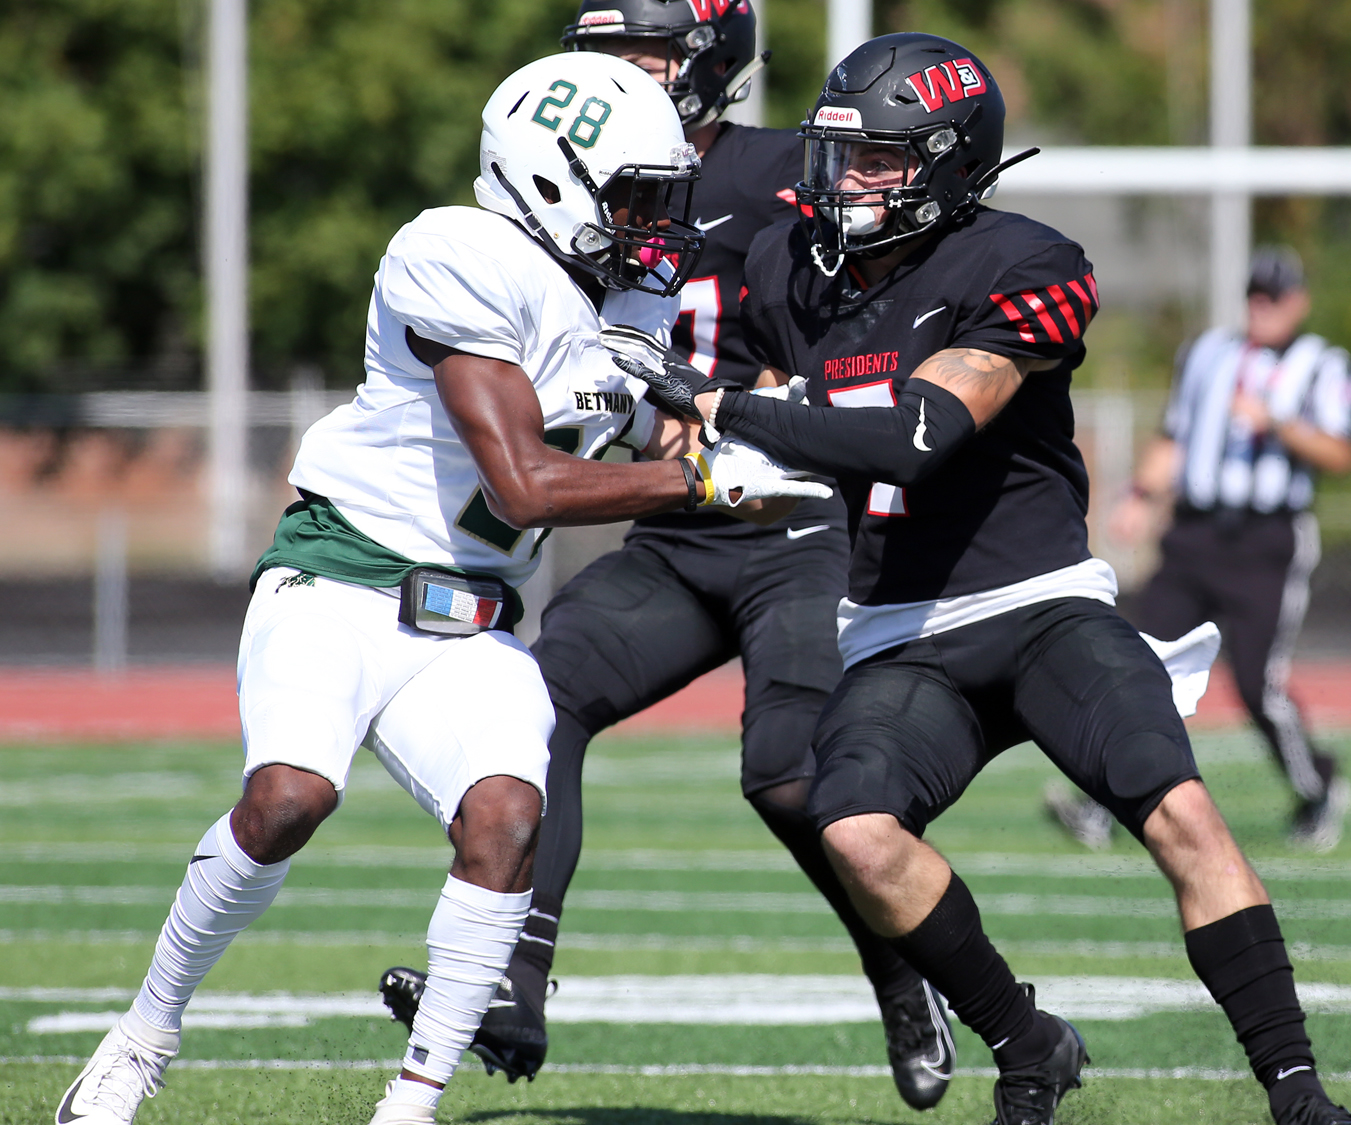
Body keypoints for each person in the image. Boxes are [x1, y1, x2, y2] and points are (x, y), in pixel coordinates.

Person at [633, 32, 1351, 1125]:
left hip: (1037, 606)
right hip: (895, 625)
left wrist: (718, 406)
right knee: (853, 830)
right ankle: (1026, 1038)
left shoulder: (1026, 263)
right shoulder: (786, 267)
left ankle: (1298, 1097)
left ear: (948, 164)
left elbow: (915, 435)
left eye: (878, 161)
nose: (844, 184)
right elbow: (725, 370)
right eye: (838, 156)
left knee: (1181, 814)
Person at [53, 51, 826, 1125]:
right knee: (287, 800)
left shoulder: (633, 292)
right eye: (636, 196)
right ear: (549, 181)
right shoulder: (452, 253)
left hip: (471, 621)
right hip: (342, 577)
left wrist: (767, 430)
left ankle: (407, 1111)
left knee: (509, 819)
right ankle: (145, 1030)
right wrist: (698, 480)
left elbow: (655, 421)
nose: (656, 223)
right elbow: (523, 484)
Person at [373, 0, 958, 1110]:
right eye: (600, 55)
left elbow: (909, 294)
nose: (620, 76)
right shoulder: (561, 183)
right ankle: (511, 984)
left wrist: (817, 395)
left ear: (709, 60)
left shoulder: (798, 166)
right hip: (678, 517)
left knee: (789, 772)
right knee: (536, 710)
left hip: (789, 515)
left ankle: (899, 965)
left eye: (642, 52)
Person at [1049, 248, 1351, 853]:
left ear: (1298, 302)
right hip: (1193, 534)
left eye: (1274, 296)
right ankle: (1100, 803)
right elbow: (1176, 436)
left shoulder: (1323, 365)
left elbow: (1343, 453)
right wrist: (1140, 494)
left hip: (1266, 539)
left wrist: (1277, 422)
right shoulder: (1207, 355)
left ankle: (1317, 787)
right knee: (1141, 665)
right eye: (1255, 294)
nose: (1262, 307)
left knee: (1256, 685)